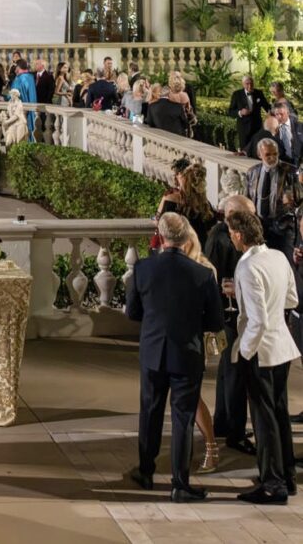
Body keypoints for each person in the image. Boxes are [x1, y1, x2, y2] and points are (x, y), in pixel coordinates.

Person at [124, 212, 225, 502]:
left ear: (162, 234)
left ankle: (145, 470)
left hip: (154, 352)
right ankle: (180, 483)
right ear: (185, 237)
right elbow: (215, 322)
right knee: (182, 419)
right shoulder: (202, 274)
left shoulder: (143, 268)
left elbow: (132, 313)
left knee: (150, 411)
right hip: (187, 354)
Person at [227, 207, 300, 503]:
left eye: (232, 233)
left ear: (240, 235)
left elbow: (256, 320)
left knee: (263, 419)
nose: (231, 238)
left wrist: (245, 353)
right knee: (279, 414)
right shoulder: (279, 257)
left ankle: (272, 484)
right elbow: (292, 298)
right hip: (282, 347)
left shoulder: (246, 267)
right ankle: (287, 477)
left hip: (260, 351)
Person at [203, 193, 257, 456]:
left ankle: (223, 423)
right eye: (249, 214)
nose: (254, 219)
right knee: (235, 374)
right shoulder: (219, 238)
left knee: (228, 371)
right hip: (227, 316)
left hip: (230, 315)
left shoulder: (229, 236)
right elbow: (211, 277)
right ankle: (234, 431)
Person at [177, 228, 221, 472]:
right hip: (181, 343)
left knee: (191, 397)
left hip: (192, 343)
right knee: (186, 397)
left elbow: (211, 314)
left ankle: (211, 448)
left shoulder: (203, 270)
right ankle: (192, 450)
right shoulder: (186, 267)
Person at [244, 138, 303, 263]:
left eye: (275, 153)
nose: (272, 157)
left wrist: (292, 202)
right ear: (259, 154)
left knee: (285, 264)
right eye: (267, 154)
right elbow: (247, 201)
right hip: (259, 228)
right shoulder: (252, 172)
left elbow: (300, 201)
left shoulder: (291, 172)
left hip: (283, 228)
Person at [156, 160, 216, 246]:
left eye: (178, 174)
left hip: (179, 250)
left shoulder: (171, 199)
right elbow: (210, 230)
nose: (176, 176)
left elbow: (160, 223)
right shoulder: (204, 203)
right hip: (199, 250)